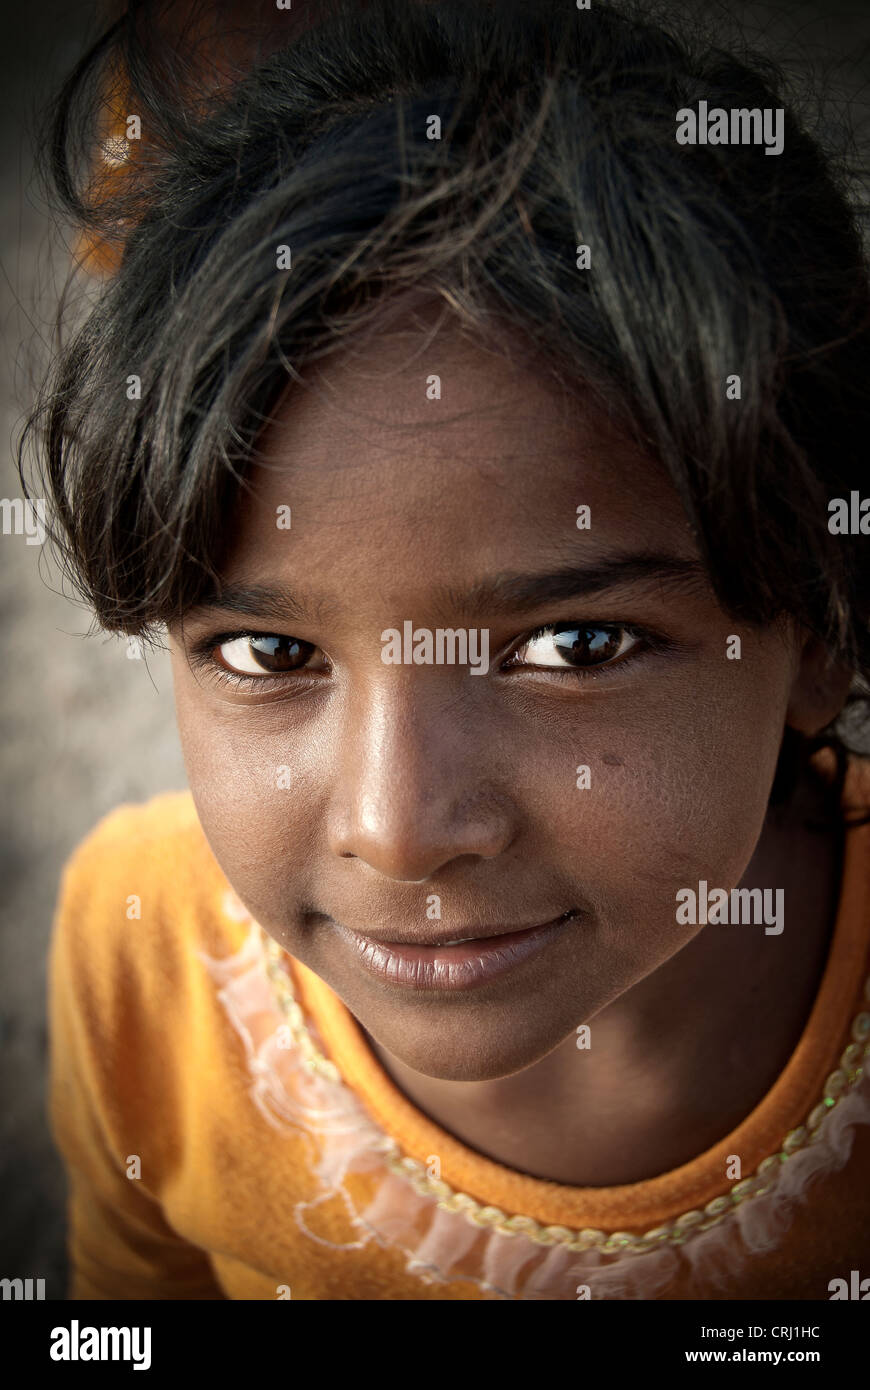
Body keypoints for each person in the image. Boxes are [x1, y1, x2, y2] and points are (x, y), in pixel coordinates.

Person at [24, 0, 870, 1299]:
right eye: (263, 651)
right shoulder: (142, 958)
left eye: (576, 643)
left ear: (818, 624)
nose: (399, 826)